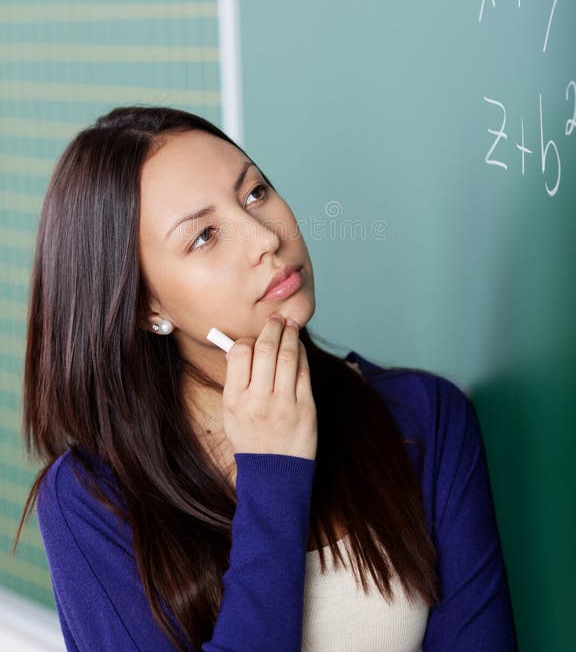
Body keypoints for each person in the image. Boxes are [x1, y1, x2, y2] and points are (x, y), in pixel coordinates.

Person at [17, 105, 518, 651]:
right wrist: (274, 473)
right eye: (205, 235)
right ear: (144, 306)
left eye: (255, 193)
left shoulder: (425, 416)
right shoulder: (92, 501)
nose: (264, 237)